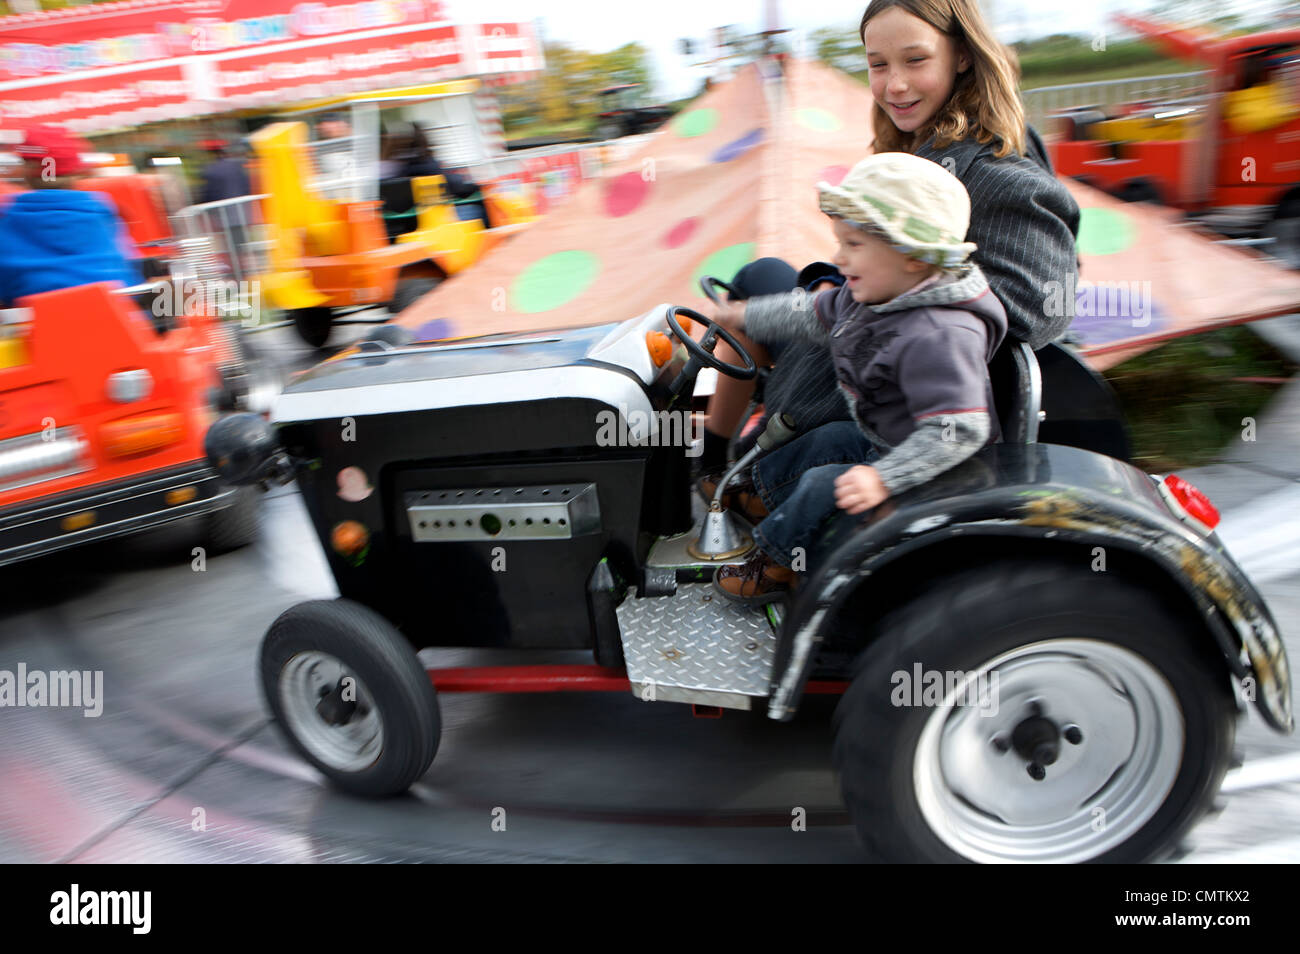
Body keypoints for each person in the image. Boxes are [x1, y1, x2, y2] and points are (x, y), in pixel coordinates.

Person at [699, 0, 1079, 472]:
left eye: (915, 60)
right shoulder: (922, 147)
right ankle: (715, 456)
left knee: (753, 309)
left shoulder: (1000, 175)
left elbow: (1043, 311)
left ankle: (737, 470)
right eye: (878, 65)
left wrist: (878, 297)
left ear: (962, 55)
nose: (894, 84)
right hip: (866, 330)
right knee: (758, 278)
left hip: (901, 385)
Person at [710, 152, 1007, 603]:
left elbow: (959, 430)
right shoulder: (874, 293)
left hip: (939, 470)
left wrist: (884, 478)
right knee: (825, 439)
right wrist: (747, 314)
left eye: (853, 245)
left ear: (911, 254)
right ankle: (764, 497)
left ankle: (776, 562)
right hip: (886, 437)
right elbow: (811, 313)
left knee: (821, 483)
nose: (837, 256)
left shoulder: (940, 333)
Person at [0, 125, 142, 308]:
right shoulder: (101, 212)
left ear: (28, 171)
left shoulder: (8, 221)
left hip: (44, 329)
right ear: (75, 170)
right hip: (119, 322)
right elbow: (130, 265)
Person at [198, 139, 251, 205]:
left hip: (222, 208)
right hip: (241, 206)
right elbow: (246, 186)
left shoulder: (210, 170)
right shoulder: (236, 166)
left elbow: (208, 194)